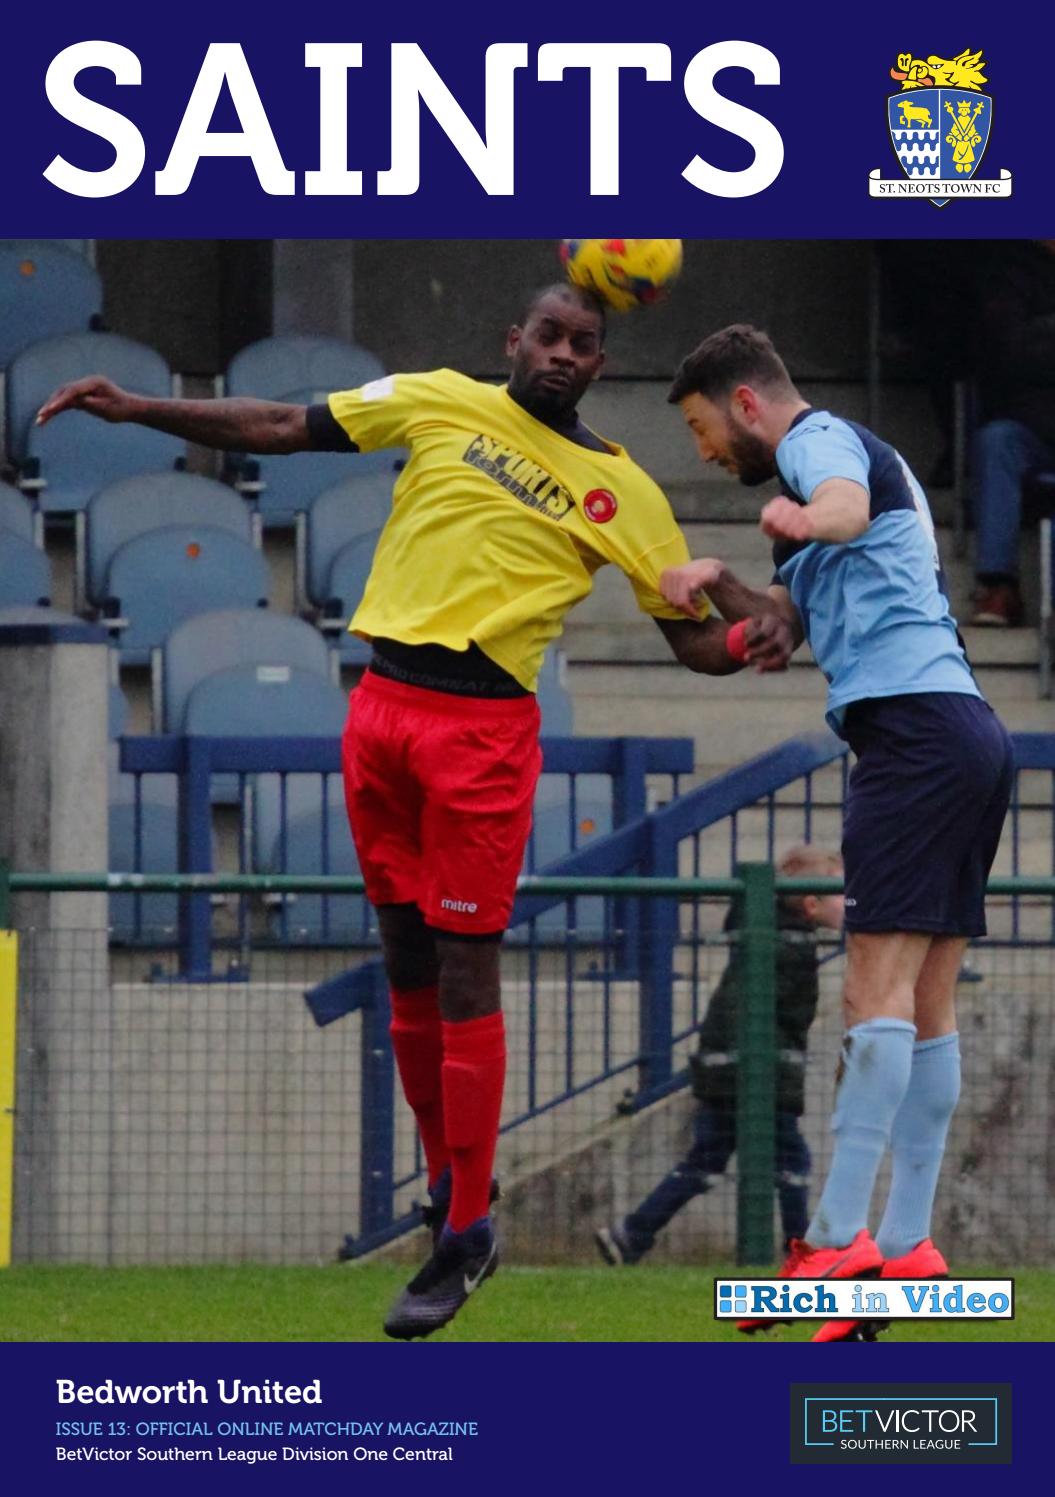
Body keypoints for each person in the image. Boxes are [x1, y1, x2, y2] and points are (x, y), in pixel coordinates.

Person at [36, 285, 793, 1341]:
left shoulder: (620, 492)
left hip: (483, 737)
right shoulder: (438, 399)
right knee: (400, 954)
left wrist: (743, 647)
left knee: (463, 963)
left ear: (597, 364)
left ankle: (470, 1227)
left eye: (586, 344)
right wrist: (136, 409)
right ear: (511, 340)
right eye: (550, 335)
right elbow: (274, 424)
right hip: (380, 708)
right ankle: (447, 1185)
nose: (566, 354)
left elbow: (689, 641)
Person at [659, 324, 1014, 1343]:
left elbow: (841, 508)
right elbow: (779, 621)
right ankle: (903, 1244)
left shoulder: (819, 445)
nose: (702, 454)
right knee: (927, 997)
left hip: (909, 733)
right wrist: (719, 579)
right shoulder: (812, 502)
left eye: (700, 430)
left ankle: (830, 1241)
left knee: (871, 987)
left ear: (745, 406)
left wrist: (798, 507)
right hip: (959, 732)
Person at [595, 844, 843, 1279]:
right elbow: (787, 1017)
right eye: (841, 893)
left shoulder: (759, 929)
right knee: (791, 1162)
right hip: (758, 1073)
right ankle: (803, 1253)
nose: (849, 903)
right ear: (811, 904)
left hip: (724, 1066)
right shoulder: (792, 948)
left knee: (704, 1161)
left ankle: (633, 1233)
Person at [967, 240, 1055, 627]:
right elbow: (1008, 351)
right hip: (1032, 423)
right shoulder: (1011, 272)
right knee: (996, 441)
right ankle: (998, 586)